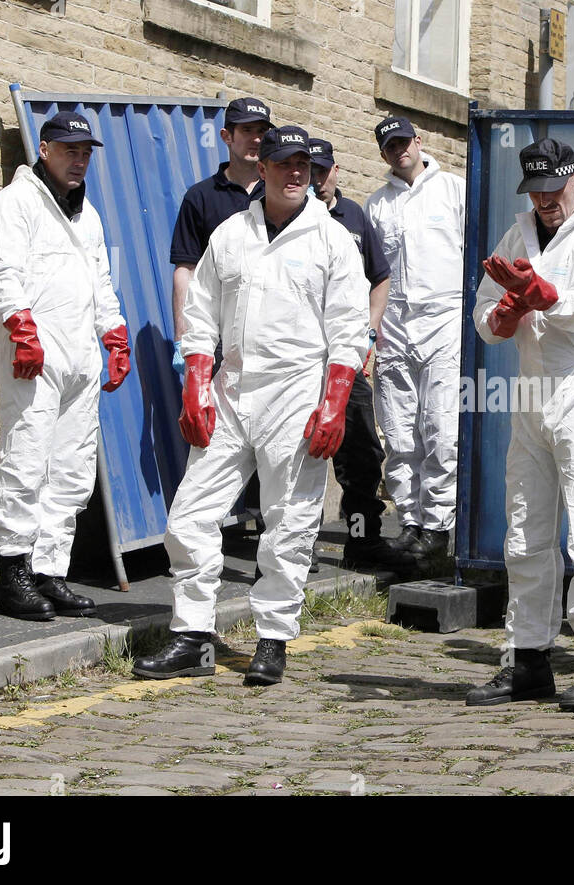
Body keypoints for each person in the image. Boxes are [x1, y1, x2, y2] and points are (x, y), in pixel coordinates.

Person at [132, 126, 370, 686]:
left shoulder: (332, 240)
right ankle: (191, 633)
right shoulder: (230, 234)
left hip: (296, 389)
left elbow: (350, 327)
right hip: (233, 387)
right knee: (190, 514)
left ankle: (273, 637)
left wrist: (334, 401)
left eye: (305, 165)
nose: (296, 174)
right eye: (284, 163)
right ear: (260, 166)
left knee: (288, 520)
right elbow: (201, 313)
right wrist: (195, 379)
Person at [467, 138, 574, 711]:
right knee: (525, 529)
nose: (543, 199)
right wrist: (504, 312)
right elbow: (484, 319)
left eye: (552, 187)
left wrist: (533, 294)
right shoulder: (518, 235)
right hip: (532, 389)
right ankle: (528, 658)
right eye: (534, 190)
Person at [0, 110, 131, 621]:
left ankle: (51, 572)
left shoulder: (86, 215)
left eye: (86, 152)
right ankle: (15, 574)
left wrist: (114, 336)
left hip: (79, 355)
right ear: (43, 150)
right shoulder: (13, 204)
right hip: (35, 354)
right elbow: (2, 272)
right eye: (70, 150)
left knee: (71, 468)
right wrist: (22, 331)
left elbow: (100, 282)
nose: (80, 160)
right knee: (25, 461)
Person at [365, 117, 465, 563]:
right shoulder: (377, 205)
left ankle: (439, 523)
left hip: (444, 317)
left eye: (404, 142)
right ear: (383, 153)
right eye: (390, 146)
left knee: (441, 427)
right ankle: (410, 520)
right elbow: (370, 271)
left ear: (419, 142)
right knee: (399, 429)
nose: (399, 151)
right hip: (395, 323)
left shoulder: (455, 191)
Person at [307, 137, 397, 567]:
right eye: (309, 170)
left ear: (336, 171)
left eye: (323, 170)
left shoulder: (355, 216)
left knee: (361, 453)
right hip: (301, 359)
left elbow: (380, 277)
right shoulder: (290, 217)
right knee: (290, 455)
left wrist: (371, 332)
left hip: (347, 358)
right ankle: (288, 549)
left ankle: (362, 539)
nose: (316, 179)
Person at [168, 97, 272, 372]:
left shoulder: (278, 195)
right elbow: (186, 269)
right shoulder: (200, 197)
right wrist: (182, 338)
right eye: (247, 131)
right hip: (214, 337)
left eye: (262, 132)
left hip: (269, 338)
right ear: (226, 136)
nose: (257, 140)